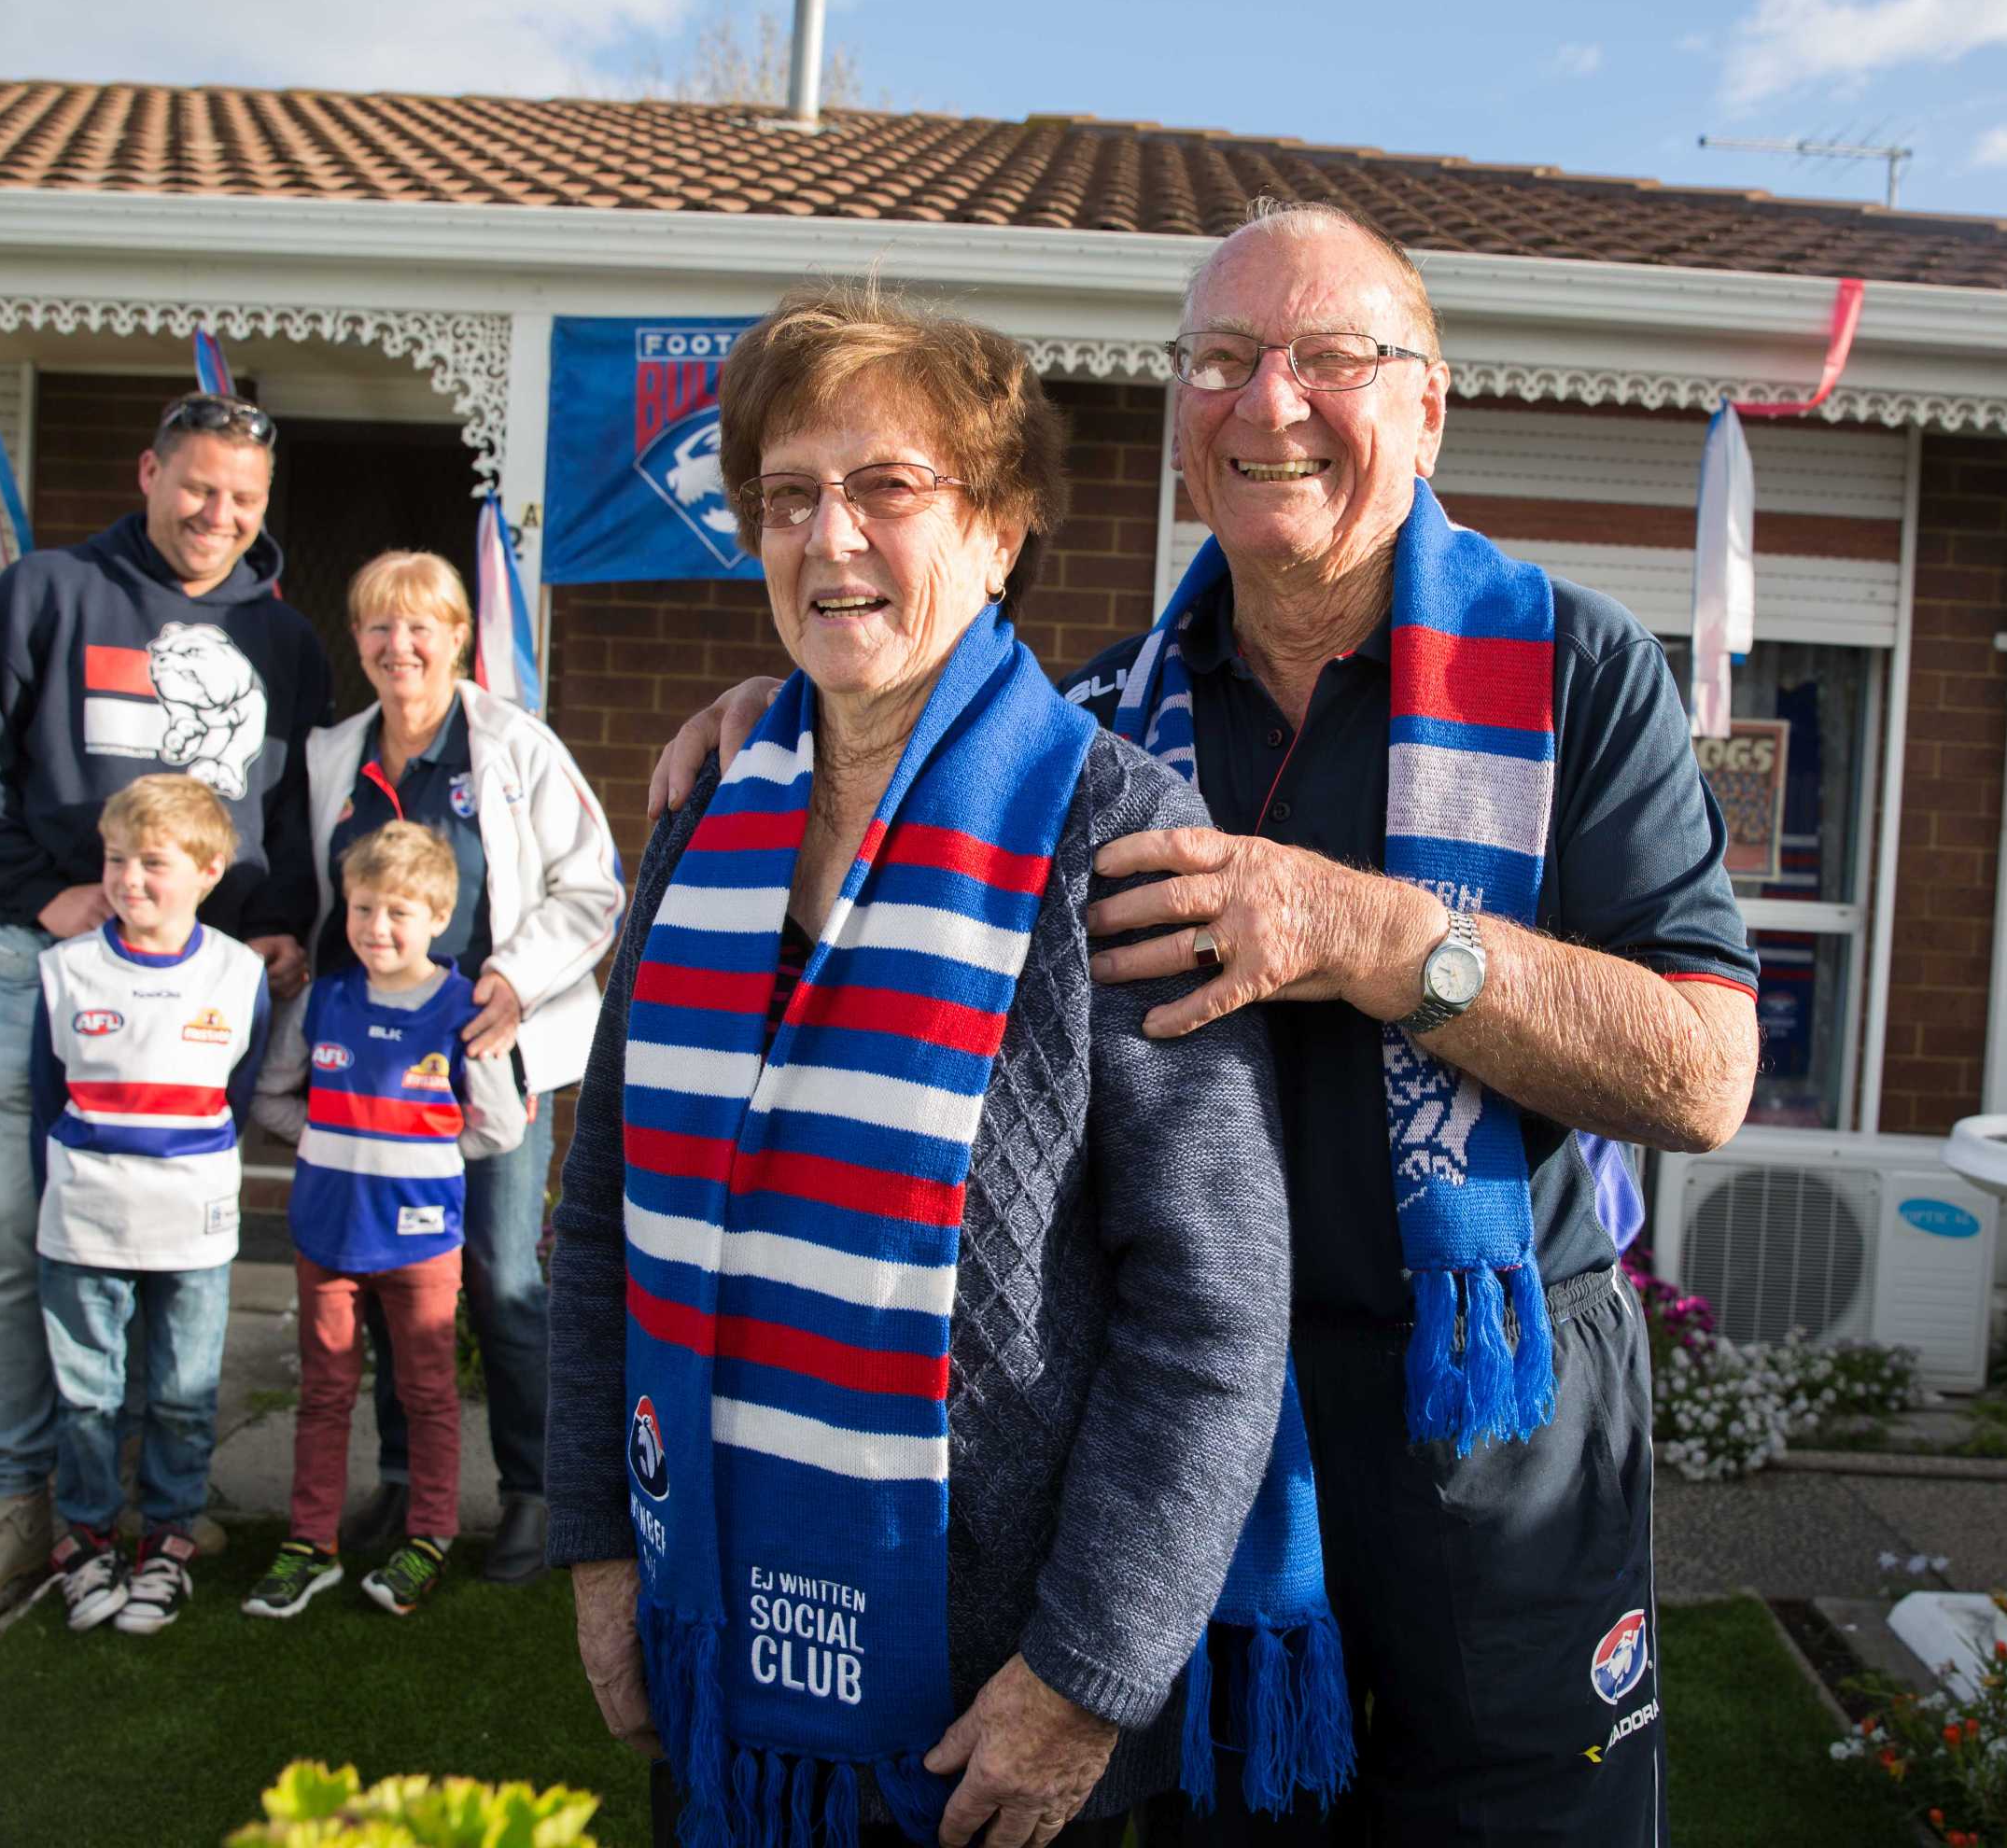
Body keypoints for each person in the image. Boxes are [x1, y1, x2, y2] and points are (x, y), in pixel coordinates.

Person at [650, 205, 1761, 1847]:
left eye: (1330, 359)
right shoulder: (1101, 725)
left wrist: (1385, 935)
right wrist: (808, 717)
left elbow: (1704, 1071)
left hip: (1482, 1446)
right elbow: (913, 686)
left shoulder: (1576, 674)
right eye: (1224, 362)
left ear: (1432, 404)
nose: (1271, 404)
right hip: (1176, 1460)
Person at [549, 285, 1312, 1848]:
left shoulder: (1113, 831)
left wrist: (1086, 1681)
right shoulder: (705, 823)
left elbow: (1212, 1309)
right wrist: (600, 1549)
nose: (830, 541)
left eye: (888, 489)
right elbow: (596, 1220)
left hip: (1001, 1708)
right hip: (718, 1649)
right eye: (786, 497)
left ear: (1000, 526)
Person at [0, 390, 332, 1629]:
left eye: (244, 501)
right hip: (48, 980)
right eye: (199, 488)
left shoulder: (284, 644)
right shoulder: (46, 595)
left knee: (170, 1259)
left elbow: (291, 816)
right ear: (150, 474)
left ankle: (146, 1510)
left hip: (200, 998)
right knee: (13, 1238)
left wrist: (277, 918)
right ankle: (8, 1505)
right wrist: (43, 892)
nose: (218, 517)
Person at [303, 548, 624, 1586]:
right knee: (396, 1269)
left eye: (421, 626)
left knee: (500, 1275)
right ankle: (404, 1480)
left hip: (485, 1057)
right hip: (374, 1081)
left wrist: (514, 982)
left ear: (458, 637)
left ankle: (535, 1494)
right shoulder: (330, 757)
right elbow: (318, 908)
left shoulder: (514, 747)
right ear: (359, 641)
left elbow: (594, 886)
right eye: (379, 628)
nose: (401, 647)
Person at [245, 820, 526, 1620]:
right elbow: (271, 1095)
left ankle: (429, 1536)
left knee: (429, 1392)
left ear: (439, 916)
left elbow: (497, 1129)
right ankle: (310, 1542)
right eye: (364, 909)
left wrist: (420, 1154)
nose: (377, 928)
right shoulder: (324, 999)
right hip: (326, 1232)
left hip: (421, 1240)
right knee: (325, 1391)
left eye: (399, 911)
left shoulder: (461, 1007)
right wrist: (333, 1143)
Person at [27, 775, 271, 1636]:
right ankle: (87, 1540)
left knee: (180, 1391)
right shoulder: (65, 970)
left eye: (154, 863)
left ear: (208, 870)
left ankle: (167, 1542)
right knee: (89, 1392)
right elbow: (45, 1095)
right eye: (117, 859)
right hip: (83, 1219)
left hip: (191, 1221)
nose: (130, 879)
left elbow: (235, 1095)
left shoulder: (238, 974)